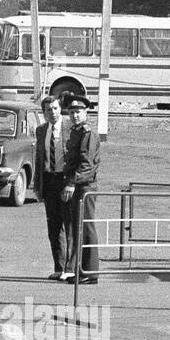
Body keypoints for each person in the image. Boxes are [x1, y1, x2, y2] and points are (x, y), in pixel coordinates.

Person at [60, 93, 101, 285]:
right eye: (72, 112)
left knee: (86, 228)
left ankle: (90, 272)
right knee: (78, 228)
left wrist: (71, 183)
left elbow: (87, 164)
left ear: (86, 112)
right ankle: (82, 270)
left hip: (84, 186)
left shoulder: (88, 133)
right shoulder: (77, 131)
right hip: (77, 185)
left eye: (78, 112)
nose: (75, 115)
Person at [33, 95, 70, 279]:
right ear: (44, 112)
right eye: (49, 110)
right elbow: (39, 159)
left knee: (68, 225)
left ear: (60, 108)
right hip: (49, 181)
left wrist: (71, 183)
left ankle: (70, 268)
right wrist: (37, 186)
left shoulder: (70, 127)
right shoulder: (41, 131)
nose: (53, 112)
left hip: (66, 181)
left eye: (55, 108)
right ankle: (59, 267)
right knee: (53, 227)